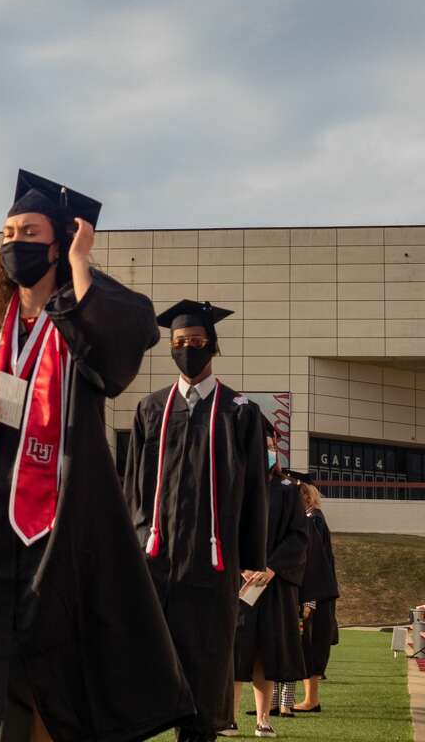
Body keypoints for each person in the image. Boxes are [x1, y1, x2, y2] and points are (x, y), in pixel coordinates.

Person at [0, 169, 193, 742]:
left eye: (29, 231)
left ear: (56, 242)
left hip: (58, 530)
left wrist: (80, 263)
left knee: (56, 676)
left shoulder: (81, 323)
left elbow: (136, 326)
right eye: (7, 232)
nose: (14, 242)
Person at [124, 300, 269, 742]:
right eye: (180, 343)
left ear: (213, 345)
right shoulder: (151, 410)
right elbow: (133, 490)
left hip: (212, 566)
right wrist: (133, 549)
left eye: (196, 342)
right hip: (157, 564)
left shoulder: (241, 412)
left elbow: (256, 495)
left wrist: (251, 558)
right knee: (145, 673)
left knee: (205, 675)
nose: (188, 349)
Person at [231, 425, 308, 738]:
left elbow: (298, 538)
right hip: (241, 586)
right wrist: (240, 568)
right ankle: (228, 718)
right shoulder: (233, 488)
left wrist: (272, 568)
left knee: (267, 651)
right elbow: (221, 534)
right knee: (236, 653)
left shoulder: (289, 491)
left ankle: (263, 718)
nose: (265, 451)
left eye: (269, 445)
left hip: (273, 587)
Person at [292, 478, 337, 713]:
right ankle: (309, 698)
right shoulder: (314, 519)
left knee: (311, 644)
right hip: (318, 593)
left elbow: (313, 564)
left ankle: (311, 699)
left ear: (306, 498)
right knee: (307, 644)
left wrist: (308, 599)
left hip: (315, 594)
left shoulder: (313, 521)